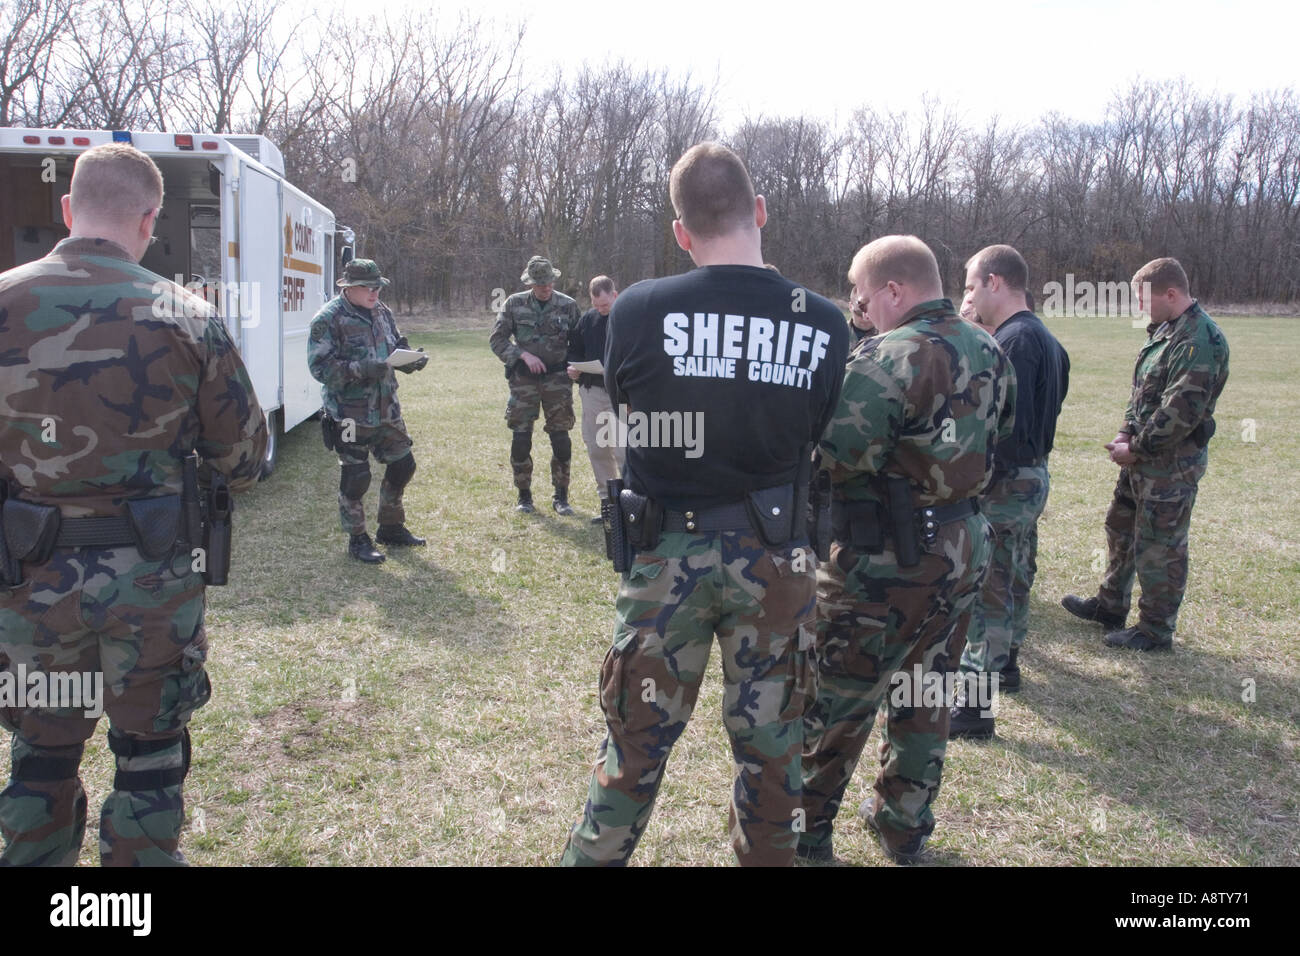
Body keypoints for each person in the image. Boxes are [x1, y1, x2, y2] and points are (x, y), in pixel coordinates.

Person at [560, 142, 849, 866]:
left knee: (632, 749)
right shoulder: (823, 320)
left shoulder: (639, 306)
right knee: (774, 752)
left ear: (681, 231)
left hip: (666, 561)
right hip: (777, 562)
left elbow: (628, 406)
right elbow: (816, 429)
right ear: (759, 212)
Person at [0, 143, 267, 865]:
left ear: (67, 207)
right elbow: (245, 459)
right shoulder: (187, 315)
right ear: (149, 219)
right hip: (151, 581)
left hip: (28, 581)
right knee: (149, 754)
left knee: (41, 752)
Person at [799, 236, 1013, 864]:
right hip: (964, 544)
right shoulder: (991, 347)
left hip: (887, 557)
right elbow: (1002, 437)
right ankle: (905, 824)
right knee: (927, 691)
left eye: (865, 299)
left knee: (837, 698)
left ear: (895, 290)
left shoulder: (887, 358)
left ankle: (805, 836)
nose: (861, 311)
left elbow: (837, 458)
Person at [1062, 257, 1228, 651]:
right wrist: (1125, 431)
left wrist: (1135, 448)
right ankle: (1109, 605)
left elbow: (1180, 412)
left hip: (1170, 464)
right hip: (1141, 458)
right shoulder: (1164, 332)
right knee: (1121, 527)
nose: (1140, 308)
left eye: (1144, 299)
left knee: (1161, 544)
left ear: (1171, 294)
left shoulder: (1199, 340)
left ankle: (1155, 629)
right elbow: (1143, 393)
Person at [949, 245, 1069, 737]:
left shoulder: (1013, 342)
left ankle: (977, 704)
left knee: (988, 589)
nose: (969, 296)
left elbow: (998, 424)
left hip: (1006, 479)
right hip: (1031, 476)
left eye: (972, 285)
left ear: (996, 282)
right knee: (1015, 573)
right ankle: (1008, 663)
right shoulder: (1047, 340)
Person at [308, 259, 428, 564]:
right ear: (349, 288)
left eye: (378, 286)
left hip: (387, 407)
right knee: (356, 476)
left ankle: (390, 526)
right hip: (349, 413)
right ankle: (358, 538)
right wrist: (360, 369)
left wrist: (411, 358)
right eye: (368, 287)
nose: (375, 292)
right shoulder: (329, 318)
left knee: (403, 465)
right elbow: (319, 368)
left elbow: (395, 343)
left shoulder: (382, 311)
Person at [490, 256, 583, 515]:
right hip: (524, 382)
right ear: (530, 283)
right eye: (540, 283)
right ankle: (524, 496)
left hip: (558, 381)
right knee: (521, 440)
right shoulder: (514, 304)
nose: (546, 287)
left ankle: (561, 497)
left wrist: (578, 368)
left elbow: (579, 342)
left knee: (561, 440)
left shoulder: (568, 305)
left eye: (549, 282)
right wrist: (521, 355)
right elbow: (497, 340)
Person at [566, 275, 625, 523]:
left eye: (605, 305)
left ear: (615, 294)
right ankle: (608, 503)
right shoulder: (588, 320)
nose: (601, 310)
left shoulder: (628, 317)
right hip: (592, 392)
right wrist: (573, 368)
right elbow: (574, 350)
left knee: (625, 451)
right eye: (596, 305)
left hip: (621, 393)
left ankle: (630, 503)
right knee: (597, 448)